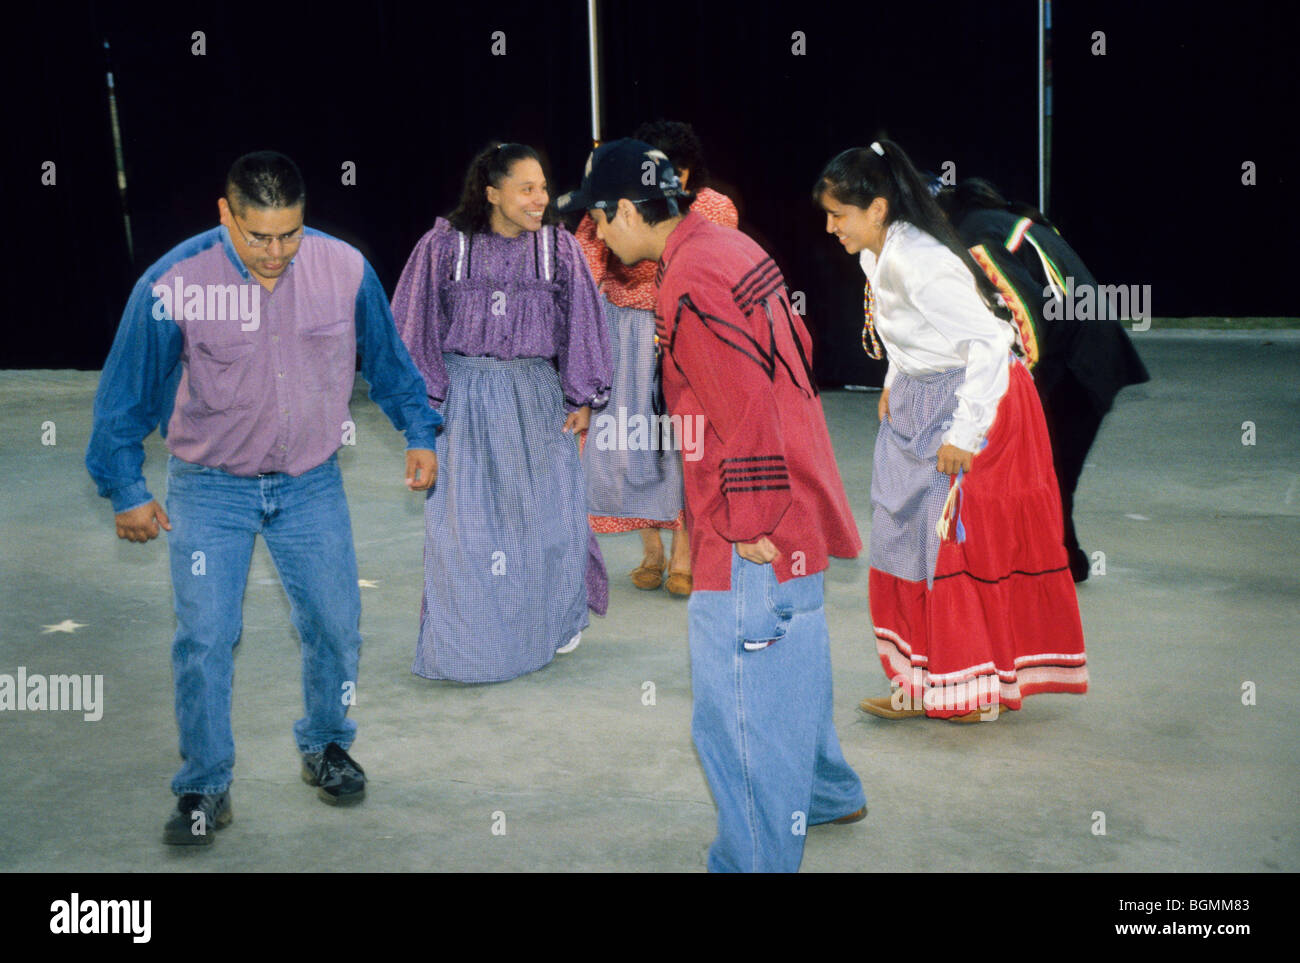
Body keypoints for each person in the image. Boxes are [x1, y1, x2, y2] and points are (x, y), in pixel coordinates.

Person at [85, 150, 440, 845]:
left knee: (337, 625)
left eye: (290, 234)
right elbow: (124, 393)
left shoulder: (343, 269)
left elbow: (389, 359)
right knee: (207, 639)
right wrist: (125, 487)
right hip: (210, 489)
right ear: (226, 214)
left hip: (311, 483)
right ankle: (203, 786)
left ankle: (327, 745)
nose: (276, 253)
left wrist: (418, 429)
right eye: (258, 237)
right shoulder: (175, 281)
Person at [559, 140, 865, 872]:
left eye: (600, 221)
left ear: (629, 209)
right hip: (798, 494)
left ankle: (755, 857)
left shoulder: (689, 276)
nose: (597, 237)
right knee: (798, 661)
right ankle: (824, 790)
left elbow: (743, 401)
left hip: (753, 518)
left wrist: (753, 520)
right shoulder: (727, 244)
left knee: (738, 708)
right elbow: (791, 351)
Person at [813, 140, 1088, 723]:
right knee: (901, 535)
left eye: (839, 214)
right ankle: (922, 678)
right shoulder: (877, 254)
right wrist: (896, 374)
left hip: (974, 402)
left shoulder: (921, 261)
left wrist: (966, 433)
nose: (831, 226)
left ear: (879, 209)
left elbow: (991, 341)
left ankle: (973, 688)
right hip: (920, 396)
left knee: (952, 545)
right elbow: (908, 329)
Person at [391, 142, 612, 684]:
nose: (541, 198)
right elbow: (412, 327)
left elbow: (582, 320)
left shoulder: (558, 249)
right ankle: (470, 647)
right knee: (467, 530)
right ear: (492, 193)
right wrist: (424, 412)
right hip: (465, 397)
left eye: (543, 187)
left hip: (537, 394)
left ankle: (552, 623)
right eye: (526, 188)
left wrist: (582, 395)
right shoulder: (444, 247)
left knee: (551, 520)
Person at [938, 178, 1150, 581]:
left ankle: (1057, 565)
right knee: (1051, 471)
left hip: (1074, 365)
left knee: (1045, 473)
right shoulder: (1001, 219)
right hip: (1090, 355)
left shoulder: (974, 237)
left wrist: (1019, 383)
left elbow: (1027, 311)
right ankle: (1063, 562)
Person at [572, 120, 738, 597]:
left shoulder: (712, 208)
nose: (671, 182)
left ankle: (685, 554)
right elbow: (587, 266)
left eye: (679, 171)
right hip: (621, 333)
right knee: (633, 446)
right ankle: (652, 551)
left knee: (681, 445)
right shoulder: (609, 209)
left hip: (678, 331)